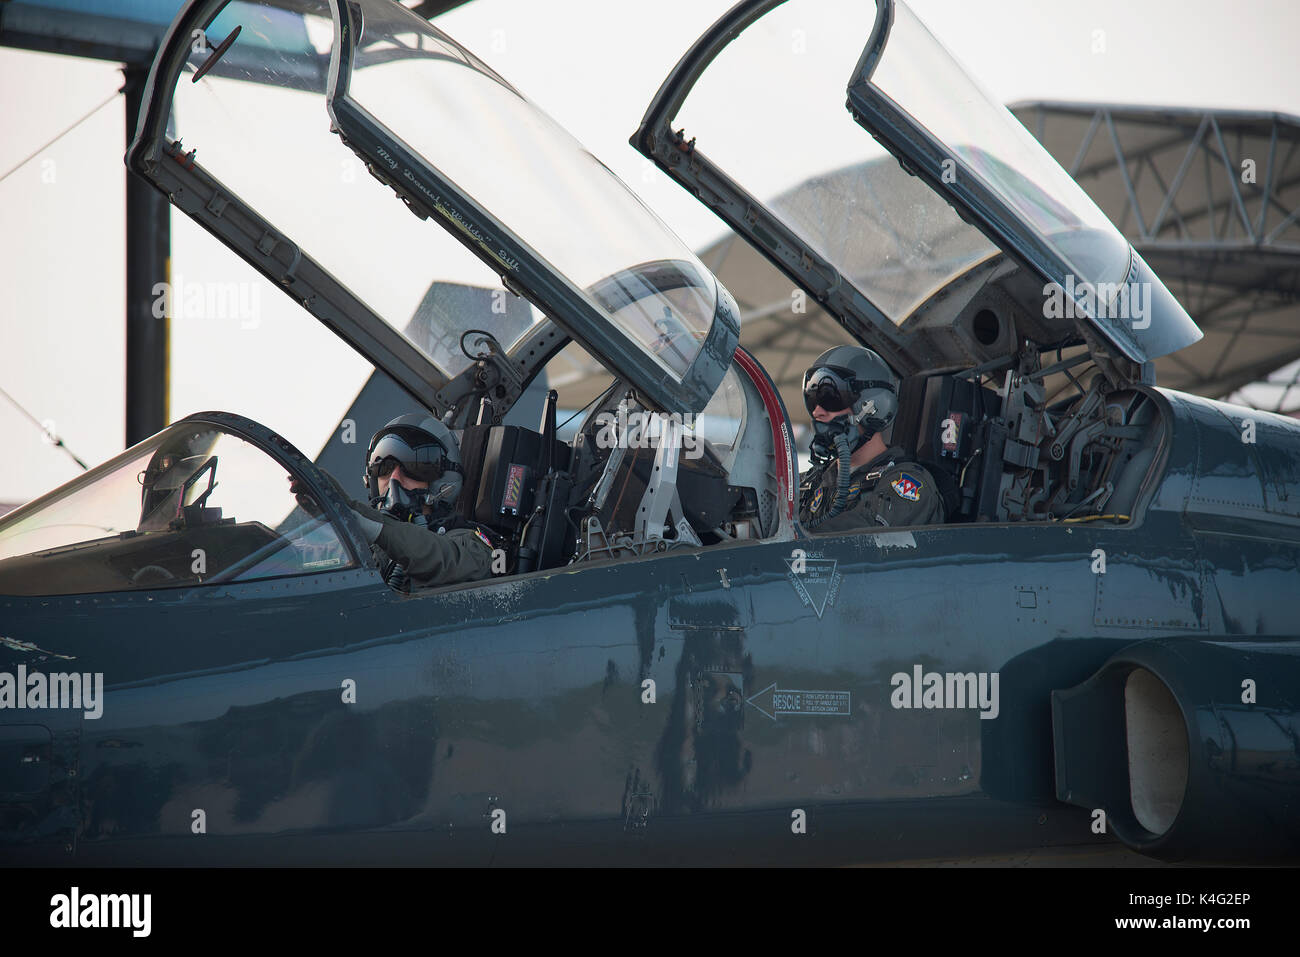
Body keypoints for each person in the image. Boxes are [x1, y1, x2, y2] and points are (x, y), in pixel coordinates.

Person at [292, 414, 494, 589]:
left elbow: (444, 560)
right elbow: (305, 561)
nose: (394, 479)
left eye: (415, 466)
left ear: (443, 481)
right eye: (384, 468)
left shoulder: (471, 544)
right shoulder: (371, 545)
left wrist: (370, 523)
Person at [798, 345, 945, 531]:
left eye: (829, 398)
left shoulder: (907, 483)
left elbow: (860, 537)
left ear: (871, 406)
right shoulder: (810, 482)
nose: (817, 411)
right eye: (812, 400)